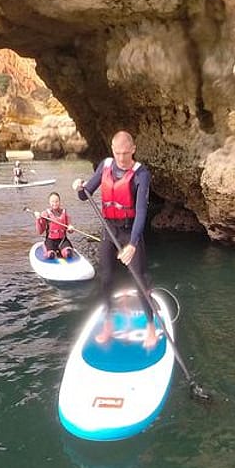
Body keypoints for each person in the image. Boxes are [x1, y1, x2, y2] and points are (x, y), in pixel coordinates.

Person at [72, 130, 157, 349]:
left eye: (125, 153)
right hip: (109, 230)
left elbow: (140, 212)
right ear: (112, 150)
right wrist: (79, 187)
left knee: (139, 280)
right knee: (106, 278)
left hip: (130, 231)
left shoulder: (141, 174)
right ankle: (108, 323)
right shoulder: (106, 165)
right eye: (117, 153)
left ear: (133, 150)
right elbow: (85, 194)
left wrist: (133, 244)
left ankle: (150, 327)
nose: (121, 158)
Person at [34, 191, 75, 259]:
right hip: (51, 240)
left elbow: (70, 230)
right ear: (49, 202)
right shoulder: (45, 214)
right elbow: (40, 232)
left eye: (57, 201)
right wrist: (38, 219)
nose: (55, 203)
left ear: (59, 202)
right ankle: (48, 249)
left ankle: (62, 250)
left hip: (62, 240)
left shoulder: (65, 213)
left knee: (68, 253)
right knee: (51, 255)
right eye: (52, 201)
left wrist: (71, 228)